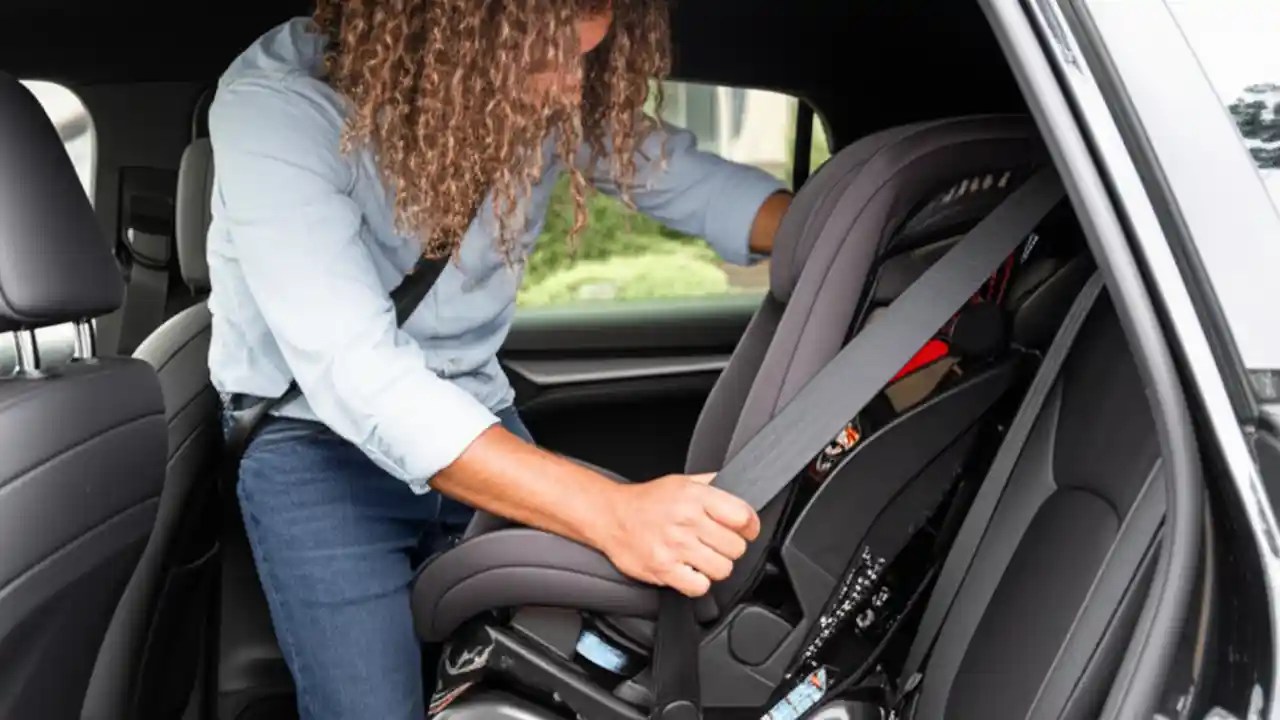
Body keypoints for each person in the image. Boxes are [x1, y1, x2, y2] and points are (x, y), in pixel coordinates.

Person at [205, 1, 793, 718]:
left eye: (587, 57)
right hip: (315, 441)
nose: (571, 89)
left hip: (477, 411)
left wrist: (842, 228)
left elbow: (678, 176)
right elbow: (360, 378)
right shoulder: (275, 109)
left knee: (586, 681)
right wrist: (613, 512)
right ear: (454, 33)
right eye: (548, 60)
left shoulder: (532, 86)